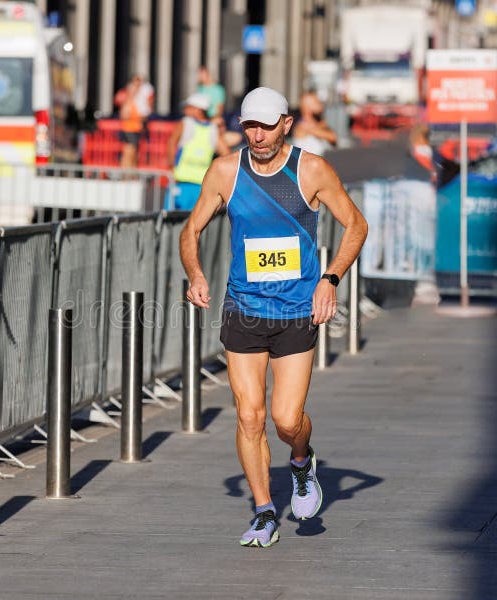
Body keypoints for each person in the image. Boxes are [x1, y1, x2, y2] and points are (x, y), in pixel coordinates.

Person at [179, 87, 368, 548]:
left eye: (266, 125)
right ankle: (264, 511)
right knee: (249, 416)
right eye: (249, 126)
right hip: (243, 308)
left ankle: (301, 462)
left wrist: (331, 278)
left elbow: (356, 225)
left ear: (286, 123)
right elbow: (191, 230)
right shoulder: (226, 171)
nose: (257, 135)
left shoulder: (312, 170)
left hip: (296, 311)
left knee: (286, 420)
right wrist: (196, 274)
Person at [166, 93, 231, 210]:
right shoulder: (212, 129)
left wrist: (171, 166)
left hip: (186, 182)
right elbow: (226, 154)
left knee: (173, 222)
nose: (185, 109)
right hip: (194, 183)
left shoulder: (186, 123)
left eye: (189, 107)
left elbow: (171, 143)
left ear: (198, 110)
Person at [115, 75, 155, 169]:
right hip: (129, 128)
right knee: (129, 151)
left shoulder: (140, 98)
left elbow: (146, 111)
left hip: (136, 128)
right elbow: (124, 114)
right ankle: (126, 173)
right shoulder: (128, 97)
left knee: (134, 152)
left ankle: (131, 173)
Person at [291, 90, 338, 156]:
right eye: (316, 102)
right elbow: (333, 137)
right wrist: (322, 125)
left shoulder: (317, 123)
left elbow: (334, 142)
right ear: (307, 106)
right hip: (306, 165)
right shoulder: (303, 125)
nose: (321, 105)